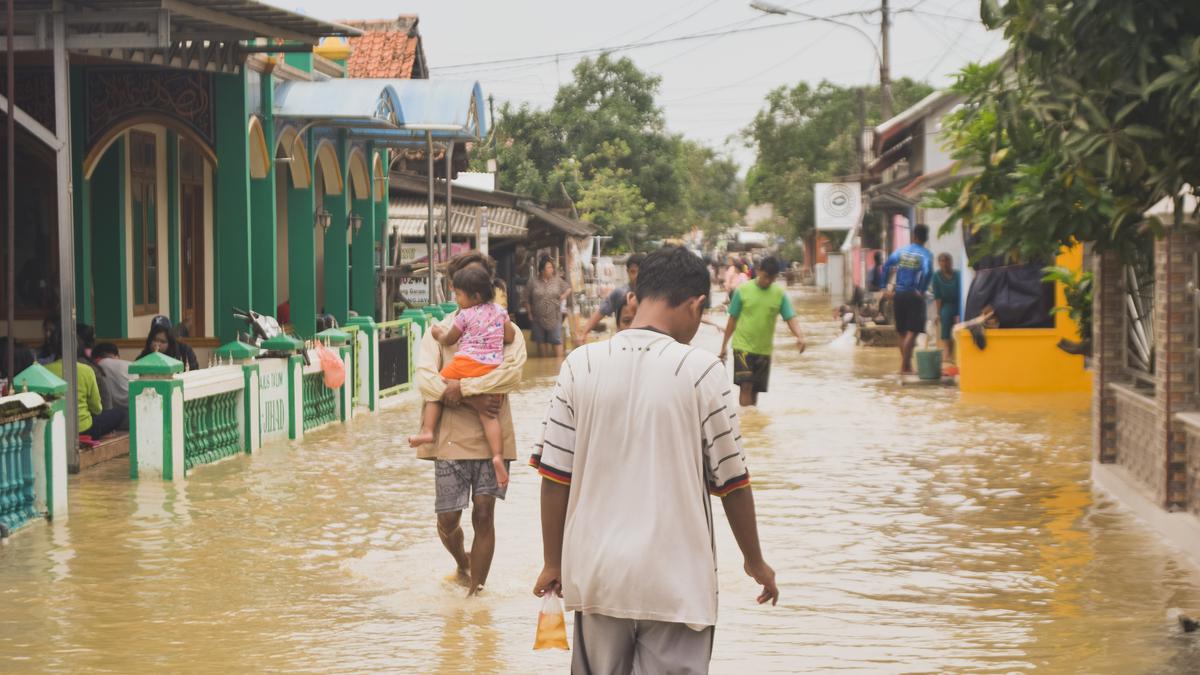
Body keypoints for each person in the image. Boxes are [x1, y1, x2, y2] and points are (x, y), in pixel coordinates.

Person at [532, 246, 778, 673]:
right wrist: (755, 562)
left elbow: (555, 477)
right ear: (695, 303)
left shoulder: (580, 365)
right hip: (677, 583)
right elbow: (733, 484)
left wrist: (553, 561)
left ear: (636, 296)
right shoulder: (703, 372)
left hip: (598, 577)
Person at [415, 251, 527, 597]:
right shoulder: (441, 331)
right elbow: (426, 381)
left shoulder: (507, 327)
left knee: (484, 513)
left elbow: (512, 374)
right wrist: (474, 395)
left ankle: (476, 593)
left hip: (491, 434)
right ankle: (462, 563)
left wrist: (460, 389)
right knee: (448, 519)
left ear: (480, 288)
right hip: (450, 436)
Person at [409, 265, 516, 489]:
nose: (456, 298)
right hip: (491, 369)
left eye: (458, 294)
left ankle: (427, 430)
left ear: (474, 295)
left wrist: (436, 332)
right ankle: (497, 455)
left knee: (438, 386)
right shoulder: (499, 312)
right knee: (490, 417)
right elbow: (510, 336)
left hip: (465, 364)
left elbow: (448, 342)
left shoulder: (464, 315)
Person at [718, 256, 807, 407]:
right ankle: (746, 424)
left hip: (764, 349)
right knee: (746, 386)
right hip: (742, 347)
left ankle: (752, 425)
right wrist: (724, 346)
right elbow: (732, 320)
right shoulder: (743, 291)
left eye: (772, 279)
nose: (768, 282)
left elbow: (790, 317)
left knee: (755, 390)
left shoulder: (779, 294)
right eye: (766, 277)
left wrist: (800, 336)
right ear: (759, 271)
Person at [45, 326, 126, 439]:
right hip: (84, 429)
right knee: (121, 413)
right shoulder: (86, 370)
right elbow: (97, 408)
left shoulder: (45, 371)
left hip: (54, 428)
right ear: (78, 346)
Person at [882, 224, 935, 375]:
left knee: (902, 333)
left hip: (899, 294)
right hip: (914, 295)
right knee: (913, 332)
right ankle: (904, 367)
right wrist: (922, 289)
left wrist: (884, 287)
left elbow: (886, 266)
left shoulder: (901, 251)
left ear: (914, 236)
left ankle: (907, 367)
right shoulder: (926, 254)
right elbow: (928, 272)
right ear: (925, 238)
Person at [575, 253, 644, 344]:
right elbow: (600, 312)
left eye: (639, 272)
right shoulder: (620, 293)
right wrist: (584, 334)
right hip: (624, 341)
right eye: (633, 272)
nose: (636, 276)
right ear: (627, 271)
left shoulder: (652, 295)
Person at [523, 255, 572, 358]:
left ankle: (559, 365)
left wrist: (562, 296)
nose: (551, 270)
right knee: (540, 341)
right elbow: (526, 298)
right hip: (537, 317)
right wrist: (529, 313)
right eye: (548, 267)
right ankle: (543, 366)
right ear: (542, 270)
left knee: (556, 340)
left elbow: (568, 288)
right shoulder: (533, 282)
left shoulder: (557, 280)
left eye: (551, 267)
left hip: (554, 315)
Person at [931, 252, 962, 364]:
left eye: (947, 260)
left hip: (959, 303)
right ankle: (946, 351)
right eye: (942, 261)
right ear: (939, 263)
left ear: (951, 262)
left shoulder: (958, 275)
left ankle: (961, 350)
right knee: (945, 317)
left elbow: (963, 292)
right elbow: (937, 297)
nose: (945, 264)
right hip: (947, 304)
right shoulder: (936, 276)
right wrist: (938, 314)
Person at [92, 343, 132, 429]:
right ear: (117, 355)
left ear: (96, 358)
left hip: (127, 417)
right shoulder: (128, 364)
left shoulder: (99, 365)